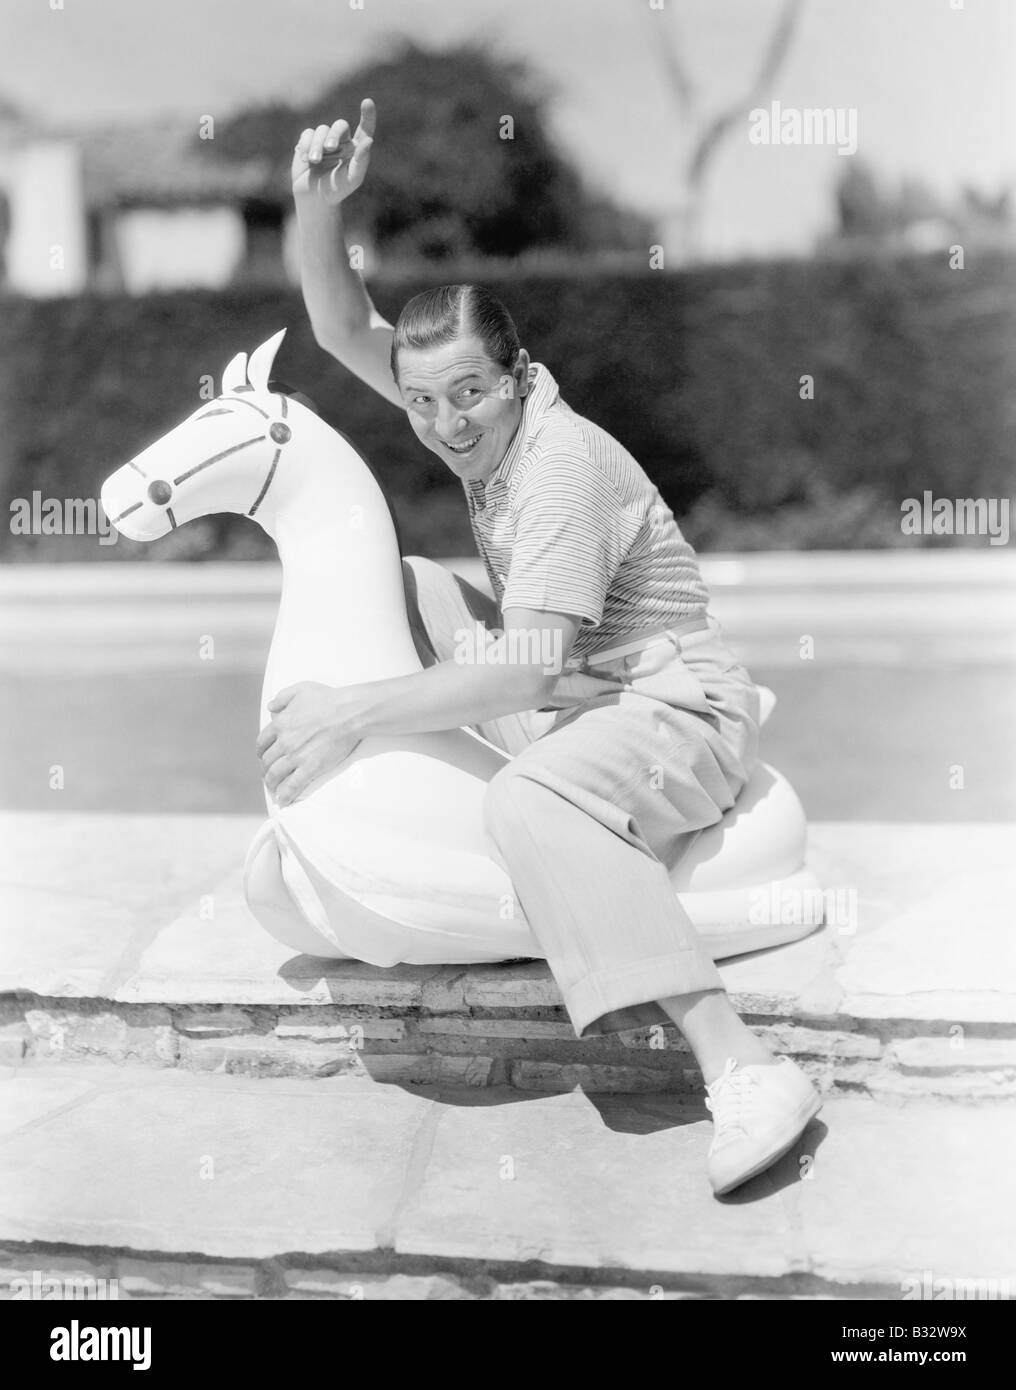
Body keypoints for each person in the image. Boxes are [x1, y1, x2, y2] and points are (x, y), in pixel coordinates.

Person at [257, 99, 822, 1196]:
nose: (445, 422)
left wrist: (351, 710)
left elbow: (519, 669)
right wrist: (314, 207)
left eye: (468, 392)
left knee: (522, 804)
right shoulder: (477, 428)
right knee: (411, 586)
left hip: (673, 706)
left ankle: (743, 1065)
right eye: (422, 400)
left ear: (515, 379)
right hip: (584, 690)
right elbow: (335, 326)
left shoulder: (558, 466)